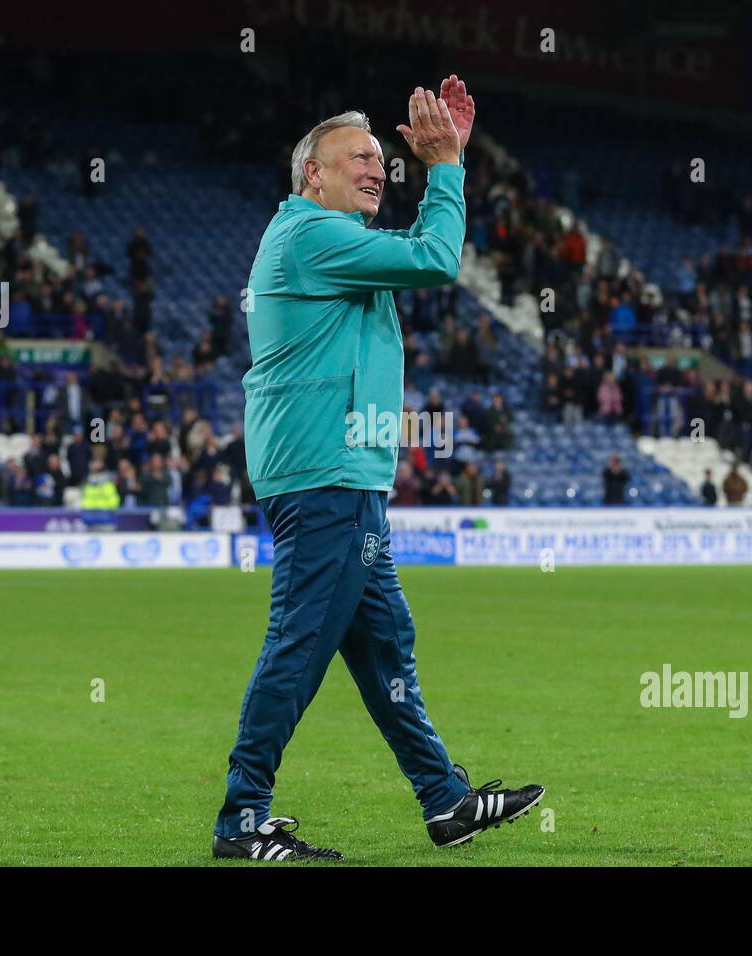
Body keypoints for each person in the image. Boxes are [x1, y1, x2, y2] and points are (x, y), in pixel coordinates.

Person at [213, 80, 542, 864]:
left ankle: (445, 801)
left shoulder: (325, 245)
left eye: (381, 159)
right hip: (326, 476)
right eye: (356, 157)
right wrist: (448, 167)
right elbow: (433, 258)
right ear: (311, 178)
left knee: (386, 640)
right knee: (298, 644)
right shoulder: (311, 237)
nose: (377, 168)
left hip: (343, 476)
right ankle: (241, 816)